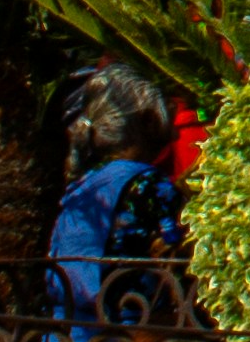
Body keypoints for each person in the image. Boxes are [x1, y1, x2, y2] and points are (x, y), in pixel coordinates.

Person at [46, 65, 184, 317]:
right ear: (148, 121)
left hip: (69, 333)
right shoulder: (147, 184)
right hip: (125, 336)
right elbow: (179, 249)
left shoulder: (85, 180)